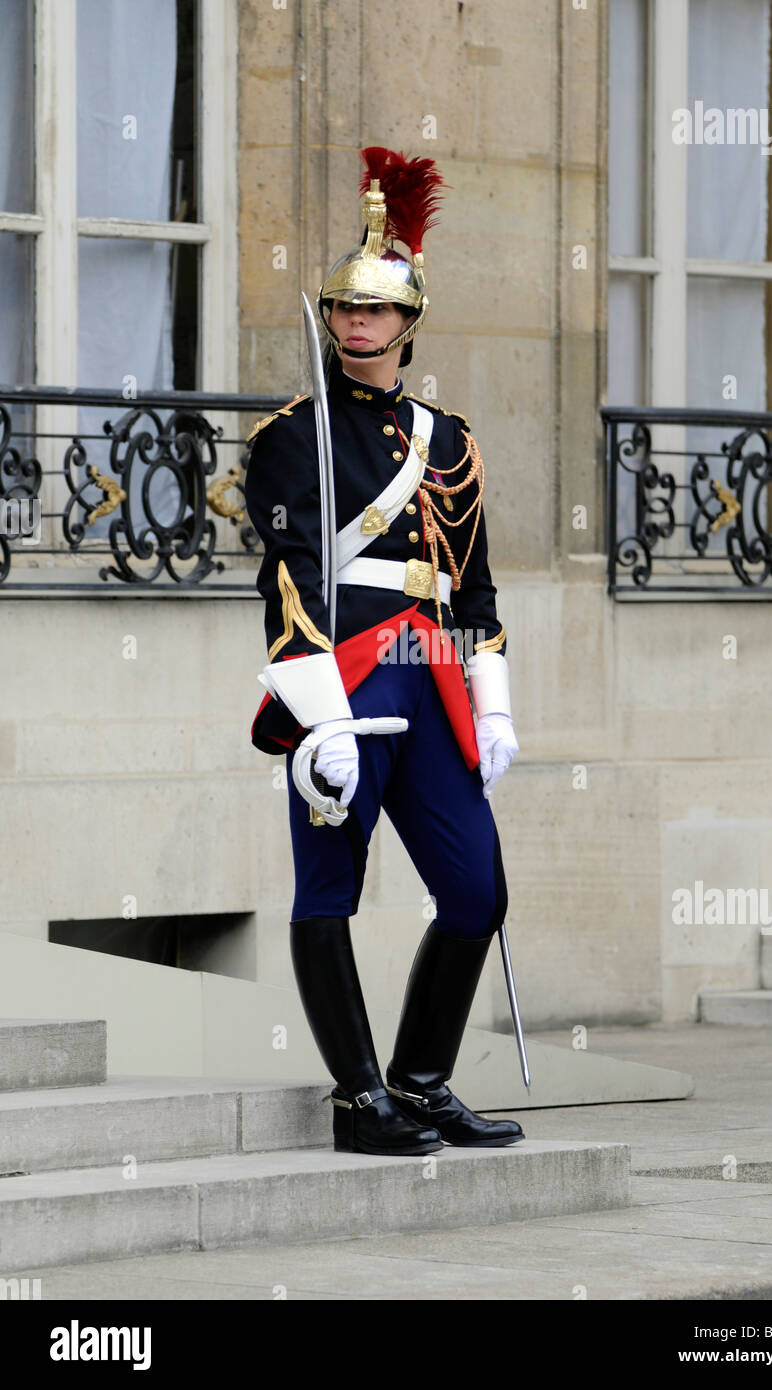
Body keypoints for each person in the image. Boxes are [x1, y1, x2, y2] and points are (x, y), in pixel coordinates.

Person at [243, 146, 524, 1157]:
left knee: (476, 889)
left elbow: (474, 586)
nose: (355, 325)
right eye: (343, 310)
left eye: (375, 312)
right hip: (346, 684)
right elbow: (287, 583)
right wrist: (318, 718)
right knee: (329, 891)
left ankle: (421, 1078)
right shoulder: (292, 438)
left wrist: (491, 704)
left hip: (434, 678)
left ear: (408, 323)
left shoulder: (449, 441)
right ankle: (358, 1100)